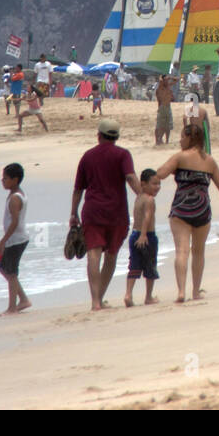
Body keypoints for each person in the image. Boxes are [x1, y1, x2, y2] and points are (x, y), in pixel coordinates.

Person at [153, 123, 219, 303]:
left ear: (190, 138)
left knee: (182, 251)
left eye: (182, 136)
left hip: (181, 208)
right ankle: (195, 292)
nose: (180, 140)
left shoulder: (180, 157)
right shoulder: (210, 161)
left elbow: (160, 173)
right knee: (198, 252)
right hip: (203, 210)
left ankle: (181, 292)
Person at [70, 119, 140, 311]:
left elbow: (78, 189)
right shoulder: (123, 155)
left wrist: (73, 213)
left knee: (93, 254)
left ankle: (95, 302)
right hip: (116, 213)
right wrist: (142, 195)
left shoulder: (88, 156)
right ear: (116, 137)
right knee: (111, 255)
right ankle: (100, 297)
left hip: (92, 211)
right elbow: (131, 177)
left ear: (98, 135)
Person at [0, 162, 32, 315]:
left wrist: (3, 242)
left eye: (5, 178)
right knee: (3, 268)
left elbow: (15, 222)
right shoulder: (15, 194)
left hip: (16, 240)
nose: (2, 181)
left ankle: (12, 307)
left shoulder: (16, 198)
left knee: (11, 273)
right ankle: (23, 299)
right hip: (15, 239)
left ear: (15, 180)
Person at [125, 168, 161, 307]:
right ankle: (148, 297)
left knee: (134, 265)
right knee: (150, 266)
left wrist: (139, 234)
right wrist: (144, 235)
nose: (157, 187)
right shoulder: (150, 199)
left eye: (159, 184)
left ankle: (128, 294)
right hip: (147, 236)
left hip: (134, 235)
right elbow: (147, 217)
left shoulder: (139, 196)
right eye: (154, 184)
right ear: (143, 184)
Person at [155, 72, 175, 146]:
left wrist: (170, 77)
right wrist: (162, 77)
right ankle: (158, 140)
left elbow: (176, 80)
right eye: (166, 80)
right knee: (160, 125)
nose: (167, 81)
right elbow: (160, 81)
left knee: (168, 126)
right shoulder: (160, 87)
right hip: (162, 107)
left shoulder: (167, 87)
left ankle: (166, 140)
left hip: (168, 107)